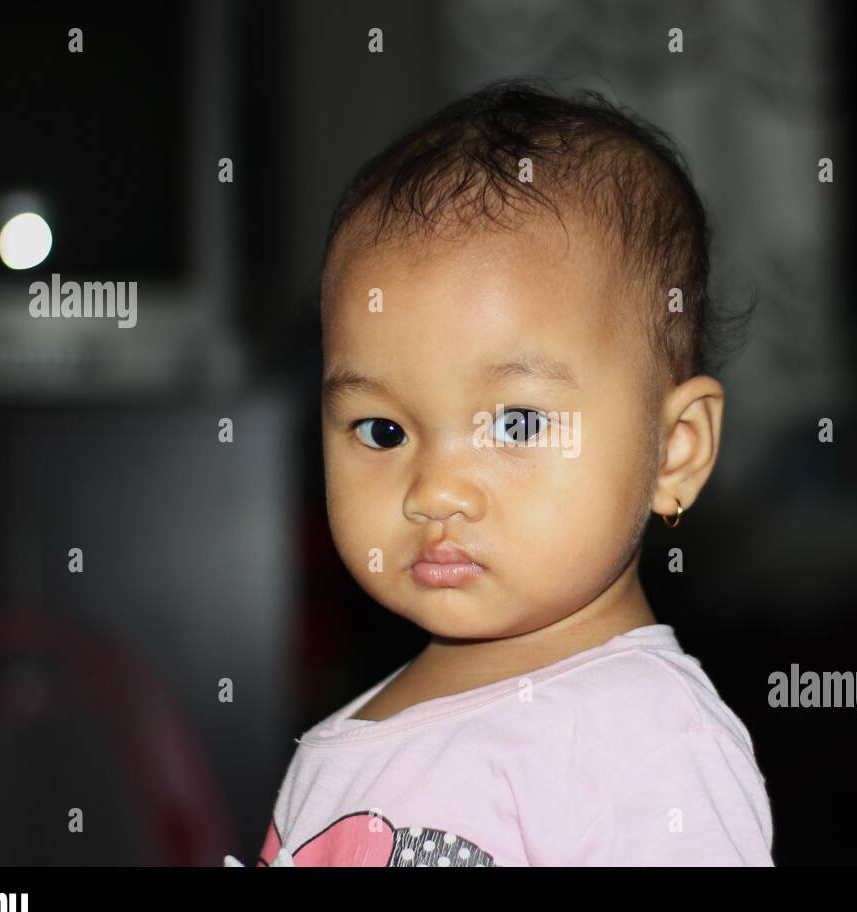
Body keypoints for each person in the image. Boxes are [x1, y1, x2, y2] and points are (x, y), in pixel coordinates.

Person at [232, 77, 771, 866]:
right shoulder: (342, 743)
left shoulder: (645, 743)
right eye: (382, 430)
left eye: (516, 423)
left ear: (676, 450)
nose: (435, 491)